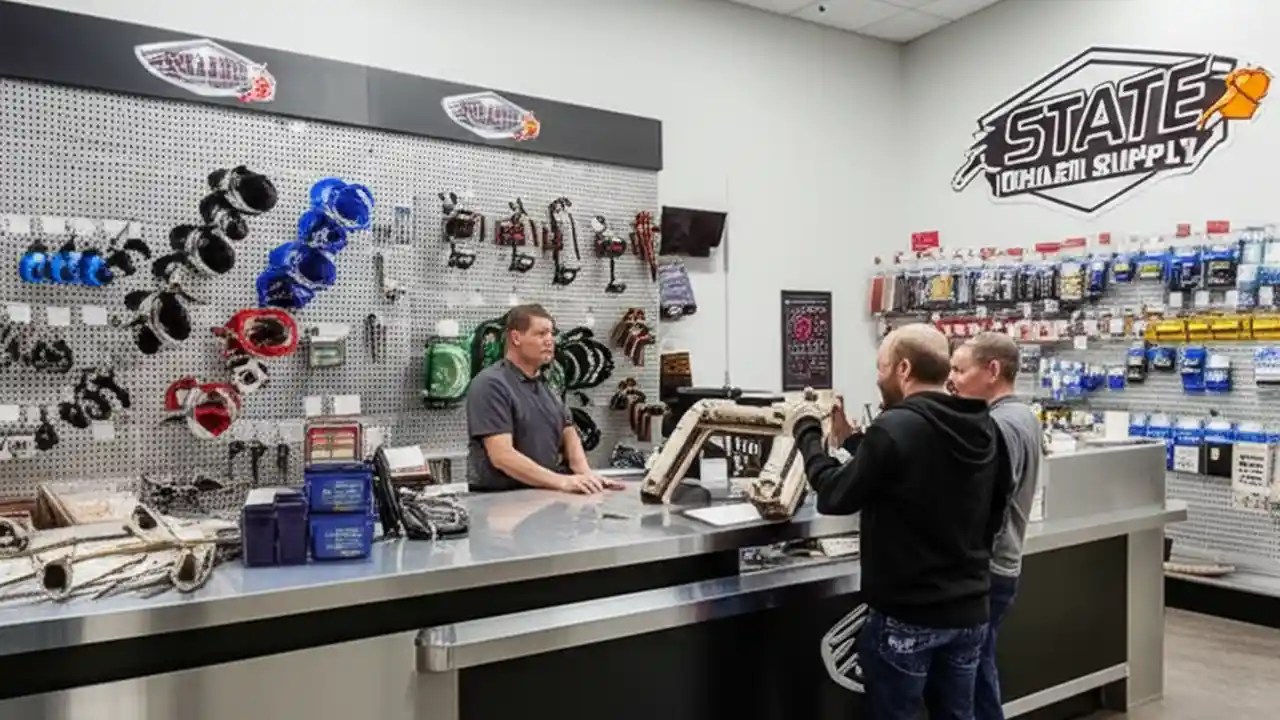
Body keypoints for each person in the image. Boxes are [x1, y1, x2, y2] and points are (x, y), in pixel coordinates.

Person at [786, 324, 1012, 720]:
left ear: (903, 369)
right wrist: (856, 442)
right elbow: (992, 505)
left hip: (909, 614)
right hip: (969, 612)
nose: (878, 377)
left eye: (881, 367)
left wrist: (807, 433)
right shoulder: (986, 427)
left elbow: (835, 495)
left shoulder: (894, 427)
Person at [948, 332, 1043, 720]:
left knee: (973, 675)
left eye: (959, 369)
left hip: (989, 570)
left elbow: (989, 503)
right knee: (979, 665)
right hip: (1001, 567)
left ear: (992, 370)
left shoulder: (1000, 426)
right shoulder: (1022, 417)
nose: (951, 379)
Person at [467, 304, 622, 494]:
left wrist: (586, 474)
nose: (550, 341)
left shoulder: (547, 385)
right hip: (502, 501)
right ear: (516, 338)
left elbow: (568, 431)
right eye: (541, 334)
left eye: (551, 334)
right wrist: (562, 482)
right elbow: (502, 456)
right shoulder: (491, 384)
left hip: (544, 495)